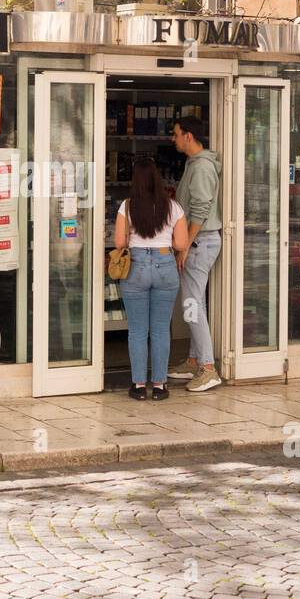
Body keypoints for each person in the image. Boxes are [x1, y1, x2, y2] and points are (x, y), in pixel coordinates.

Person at [115, 158, 187, 401]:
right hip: (165, 266)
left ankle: (137, 386)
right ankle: (159, 385)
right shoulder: (173, 207)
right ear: (157, 178)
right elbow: (181, 243)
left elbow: (119, 243)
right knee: (160, 330)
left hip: (135, 267)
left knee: (137, 331)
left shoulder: (127, 206)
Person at [168, 116, 223, 392]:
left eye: (176, 134)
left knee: (192, 306)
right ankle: (193, 360)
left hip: (200, 243)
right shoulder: (195, 164)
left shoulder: (201, 168)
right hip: (199, 242)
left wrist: (185, 245)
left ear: (188, 136)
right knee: (194, 302)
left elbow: (201, 209)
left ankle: (207, 368)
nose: (173, 138)